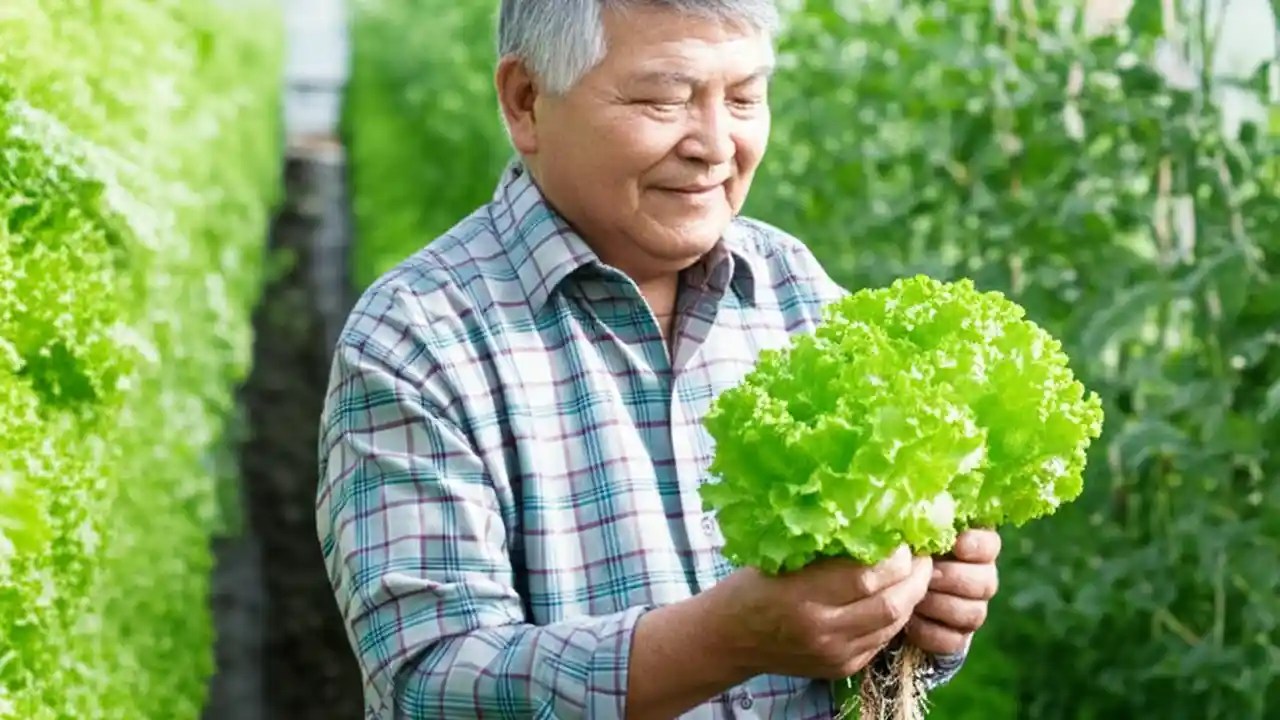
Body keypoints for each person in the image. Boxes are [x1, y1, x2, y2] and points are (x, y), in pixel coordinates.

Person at [316, 1, 1002, 718]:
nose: (714, 143)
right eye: (664, 99)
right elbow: (430, 681)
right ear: (526, 102)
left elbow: (851, 643)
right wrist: (725, 640)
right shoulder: (419, 338)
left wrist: (917, 613)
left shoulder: (796, 294)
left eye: (744, 98)